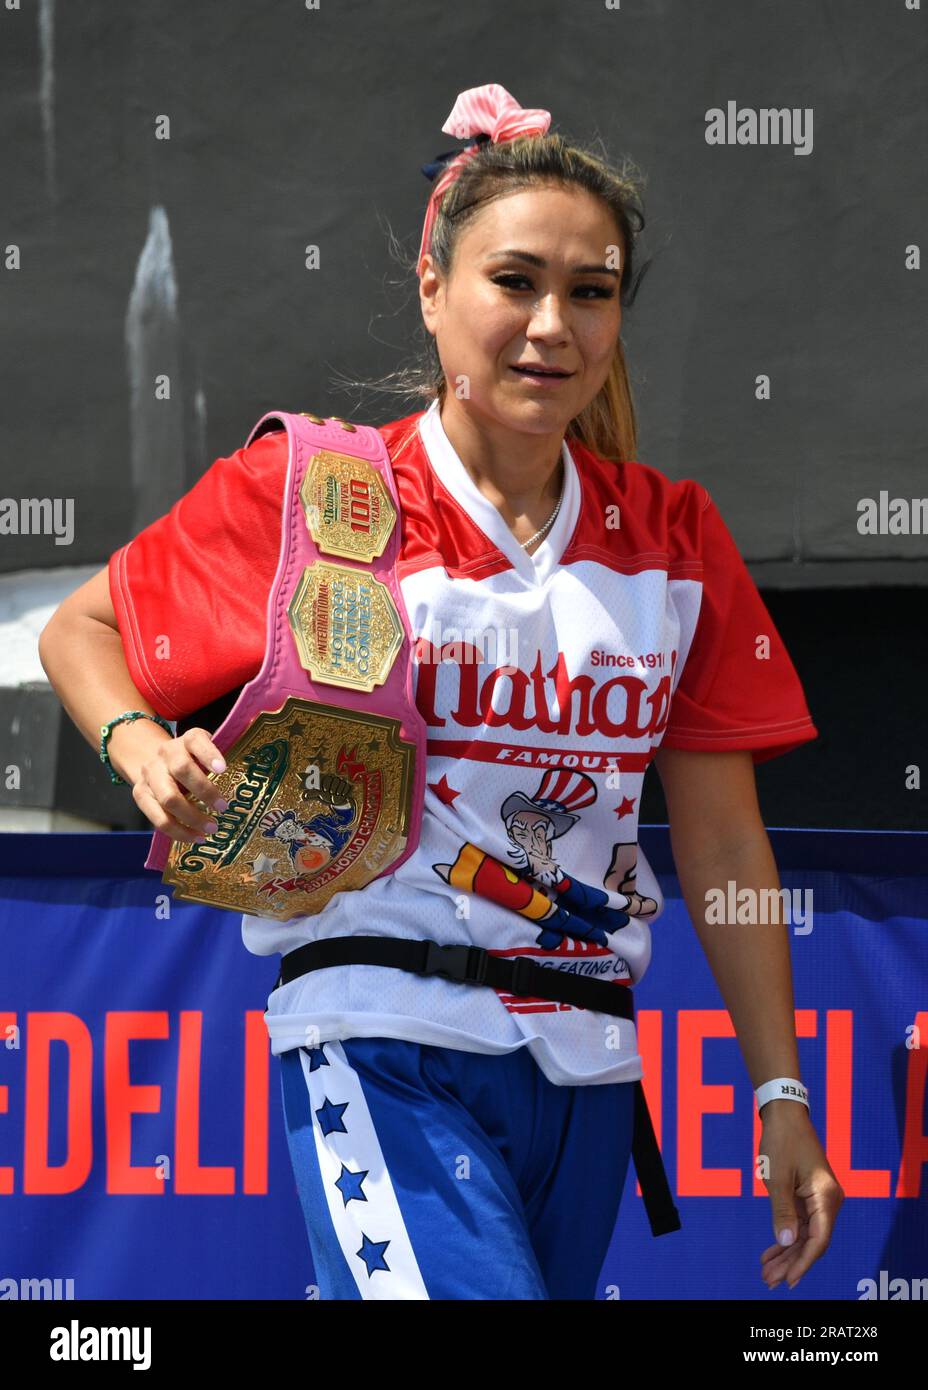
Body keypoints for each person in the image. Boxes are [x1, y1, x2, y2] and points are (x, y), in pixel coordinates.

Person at [38, 82, 844, 1300]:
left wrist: (782, 1096)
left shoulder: (670, 537)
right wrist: (139, 742)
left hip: (584, 1064)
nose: (550, 324)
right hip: (377, 1032)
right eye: (512, 281)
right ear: (432, 289)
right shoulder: (317, 489)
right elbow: (81, 628)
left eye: (591, 291)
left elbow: (725, 838)